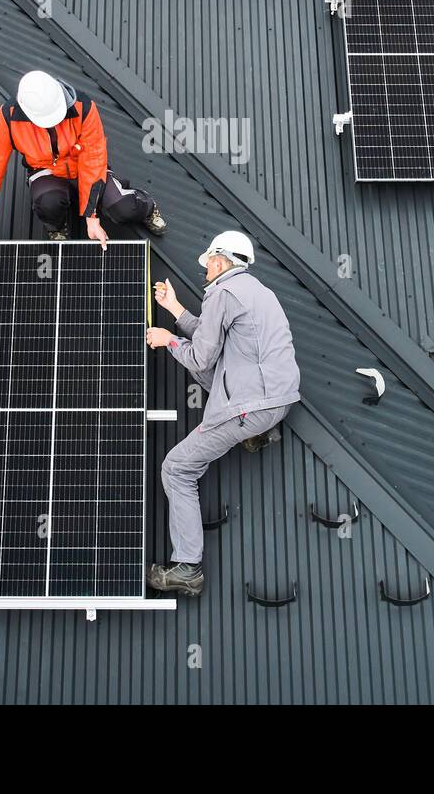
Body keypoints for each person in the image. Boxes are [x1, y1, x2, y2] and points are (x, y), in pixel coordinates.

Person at [144, 231, 301, 596]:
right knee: (203, 367)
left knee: (177, 468)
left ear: (219, 260)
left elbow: (200, 355)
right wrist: (176, 311)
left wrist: (167, 340)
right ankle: (260, 432)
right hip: (279, 399)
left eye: (208, 262)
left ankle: (187, 567)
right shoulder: (258, 291)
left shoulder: (221, 292)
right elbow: (208, 344)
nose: (206, 270)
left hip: (249, 406)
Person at [0, 70, 166, 246]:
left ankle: (147, 207)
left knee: (123, 209)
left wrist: (92, 217)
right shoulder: (9, 116)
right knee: (48, 203)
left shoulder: (84, 107)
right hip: (46, 171)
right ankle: (57, 227)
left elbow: (93, 159)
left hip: (84, 168)